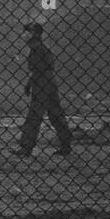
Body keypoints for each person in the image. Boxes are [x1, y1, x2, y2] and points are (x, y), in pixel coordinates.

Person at [14, 22, 72, 157]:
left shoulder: (37, 49)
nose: (24, 34)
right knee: (56, 114)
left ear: (35, 33)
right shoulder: (40, 48)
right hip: (48, 82)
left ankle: (26, 147)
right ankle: (66, 144)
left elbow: (38, 70)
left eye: (27, 31)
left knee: (34, 115)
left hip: (42, 83)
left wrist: (29, 83)